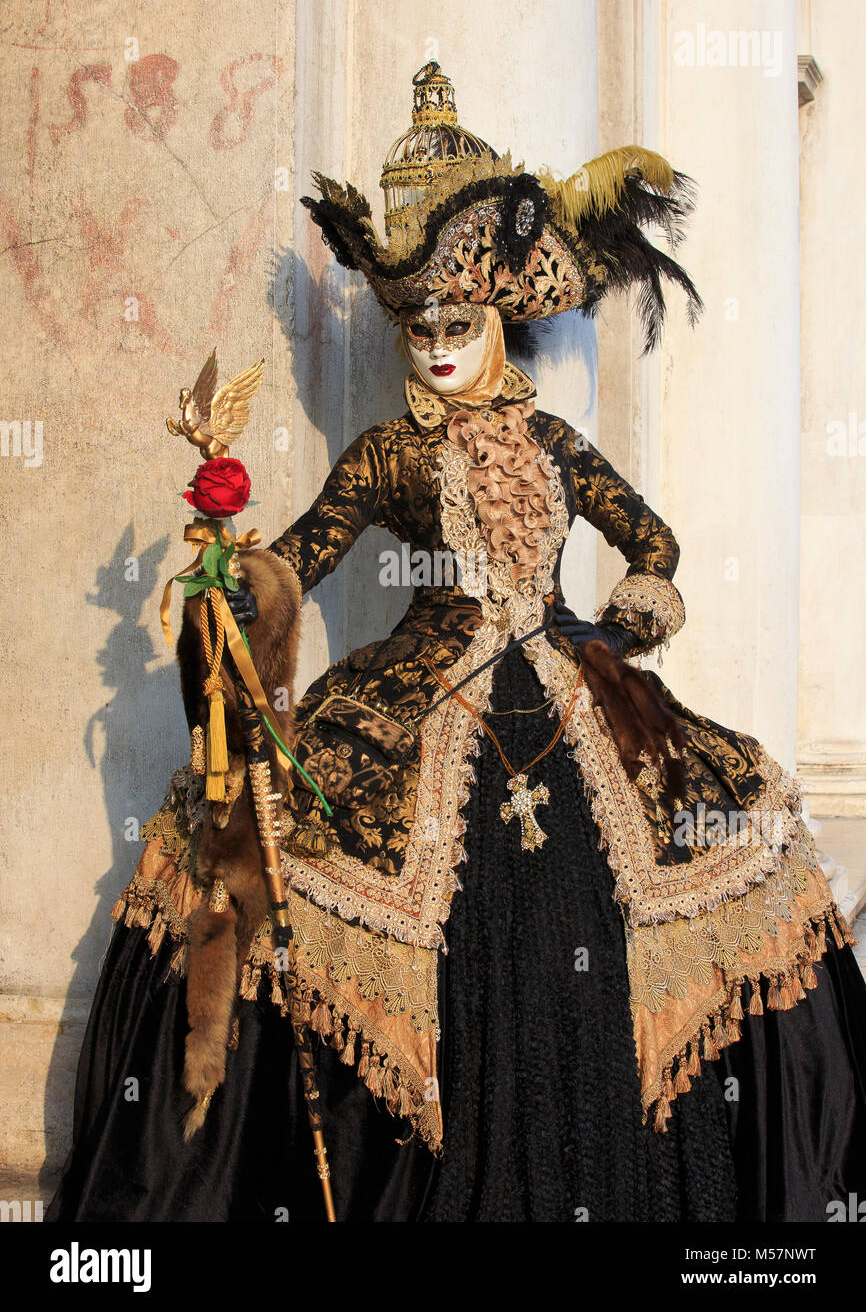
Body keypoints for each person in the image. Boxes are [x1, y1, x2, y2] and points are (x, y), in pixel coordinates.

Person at [47, 63, 866, 1224]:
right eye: (415, 323)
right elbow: (300, 555)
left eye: (457, 320)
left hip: (579, 691)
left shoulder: (558, 441)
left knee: (702, 858)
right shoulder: (385, 455)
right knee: (266, 862)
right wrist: (229, 580)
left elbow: (654, 540)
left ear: (496, 317)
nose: (434, 343)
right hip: (419, 703)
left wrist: (644, 597)